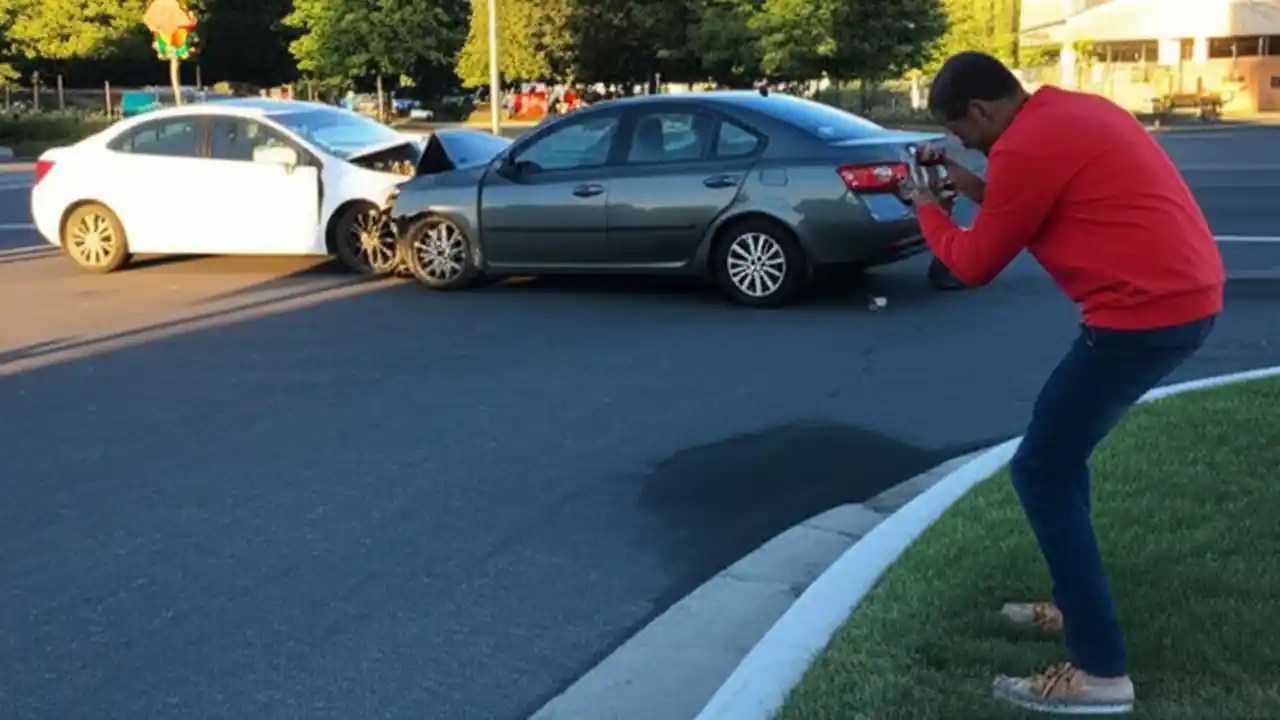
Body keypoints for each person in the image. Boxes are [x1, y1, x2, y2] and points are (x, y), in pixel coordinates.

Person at [900, 51, 1225, 715]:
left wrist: (927, 209)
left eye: (963, 134)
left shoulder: (1024, 148)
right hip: (1182, 298)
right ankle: (1074, 603)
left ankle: (1101, 676)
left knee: (1041, 470)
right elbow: (1035, 201)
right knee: (1061, 459)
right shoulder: (1071, 112)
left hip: (1142, 315)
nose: (964, 145)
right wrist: (968, 185)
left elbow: (974, 264)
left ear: (983, 111)